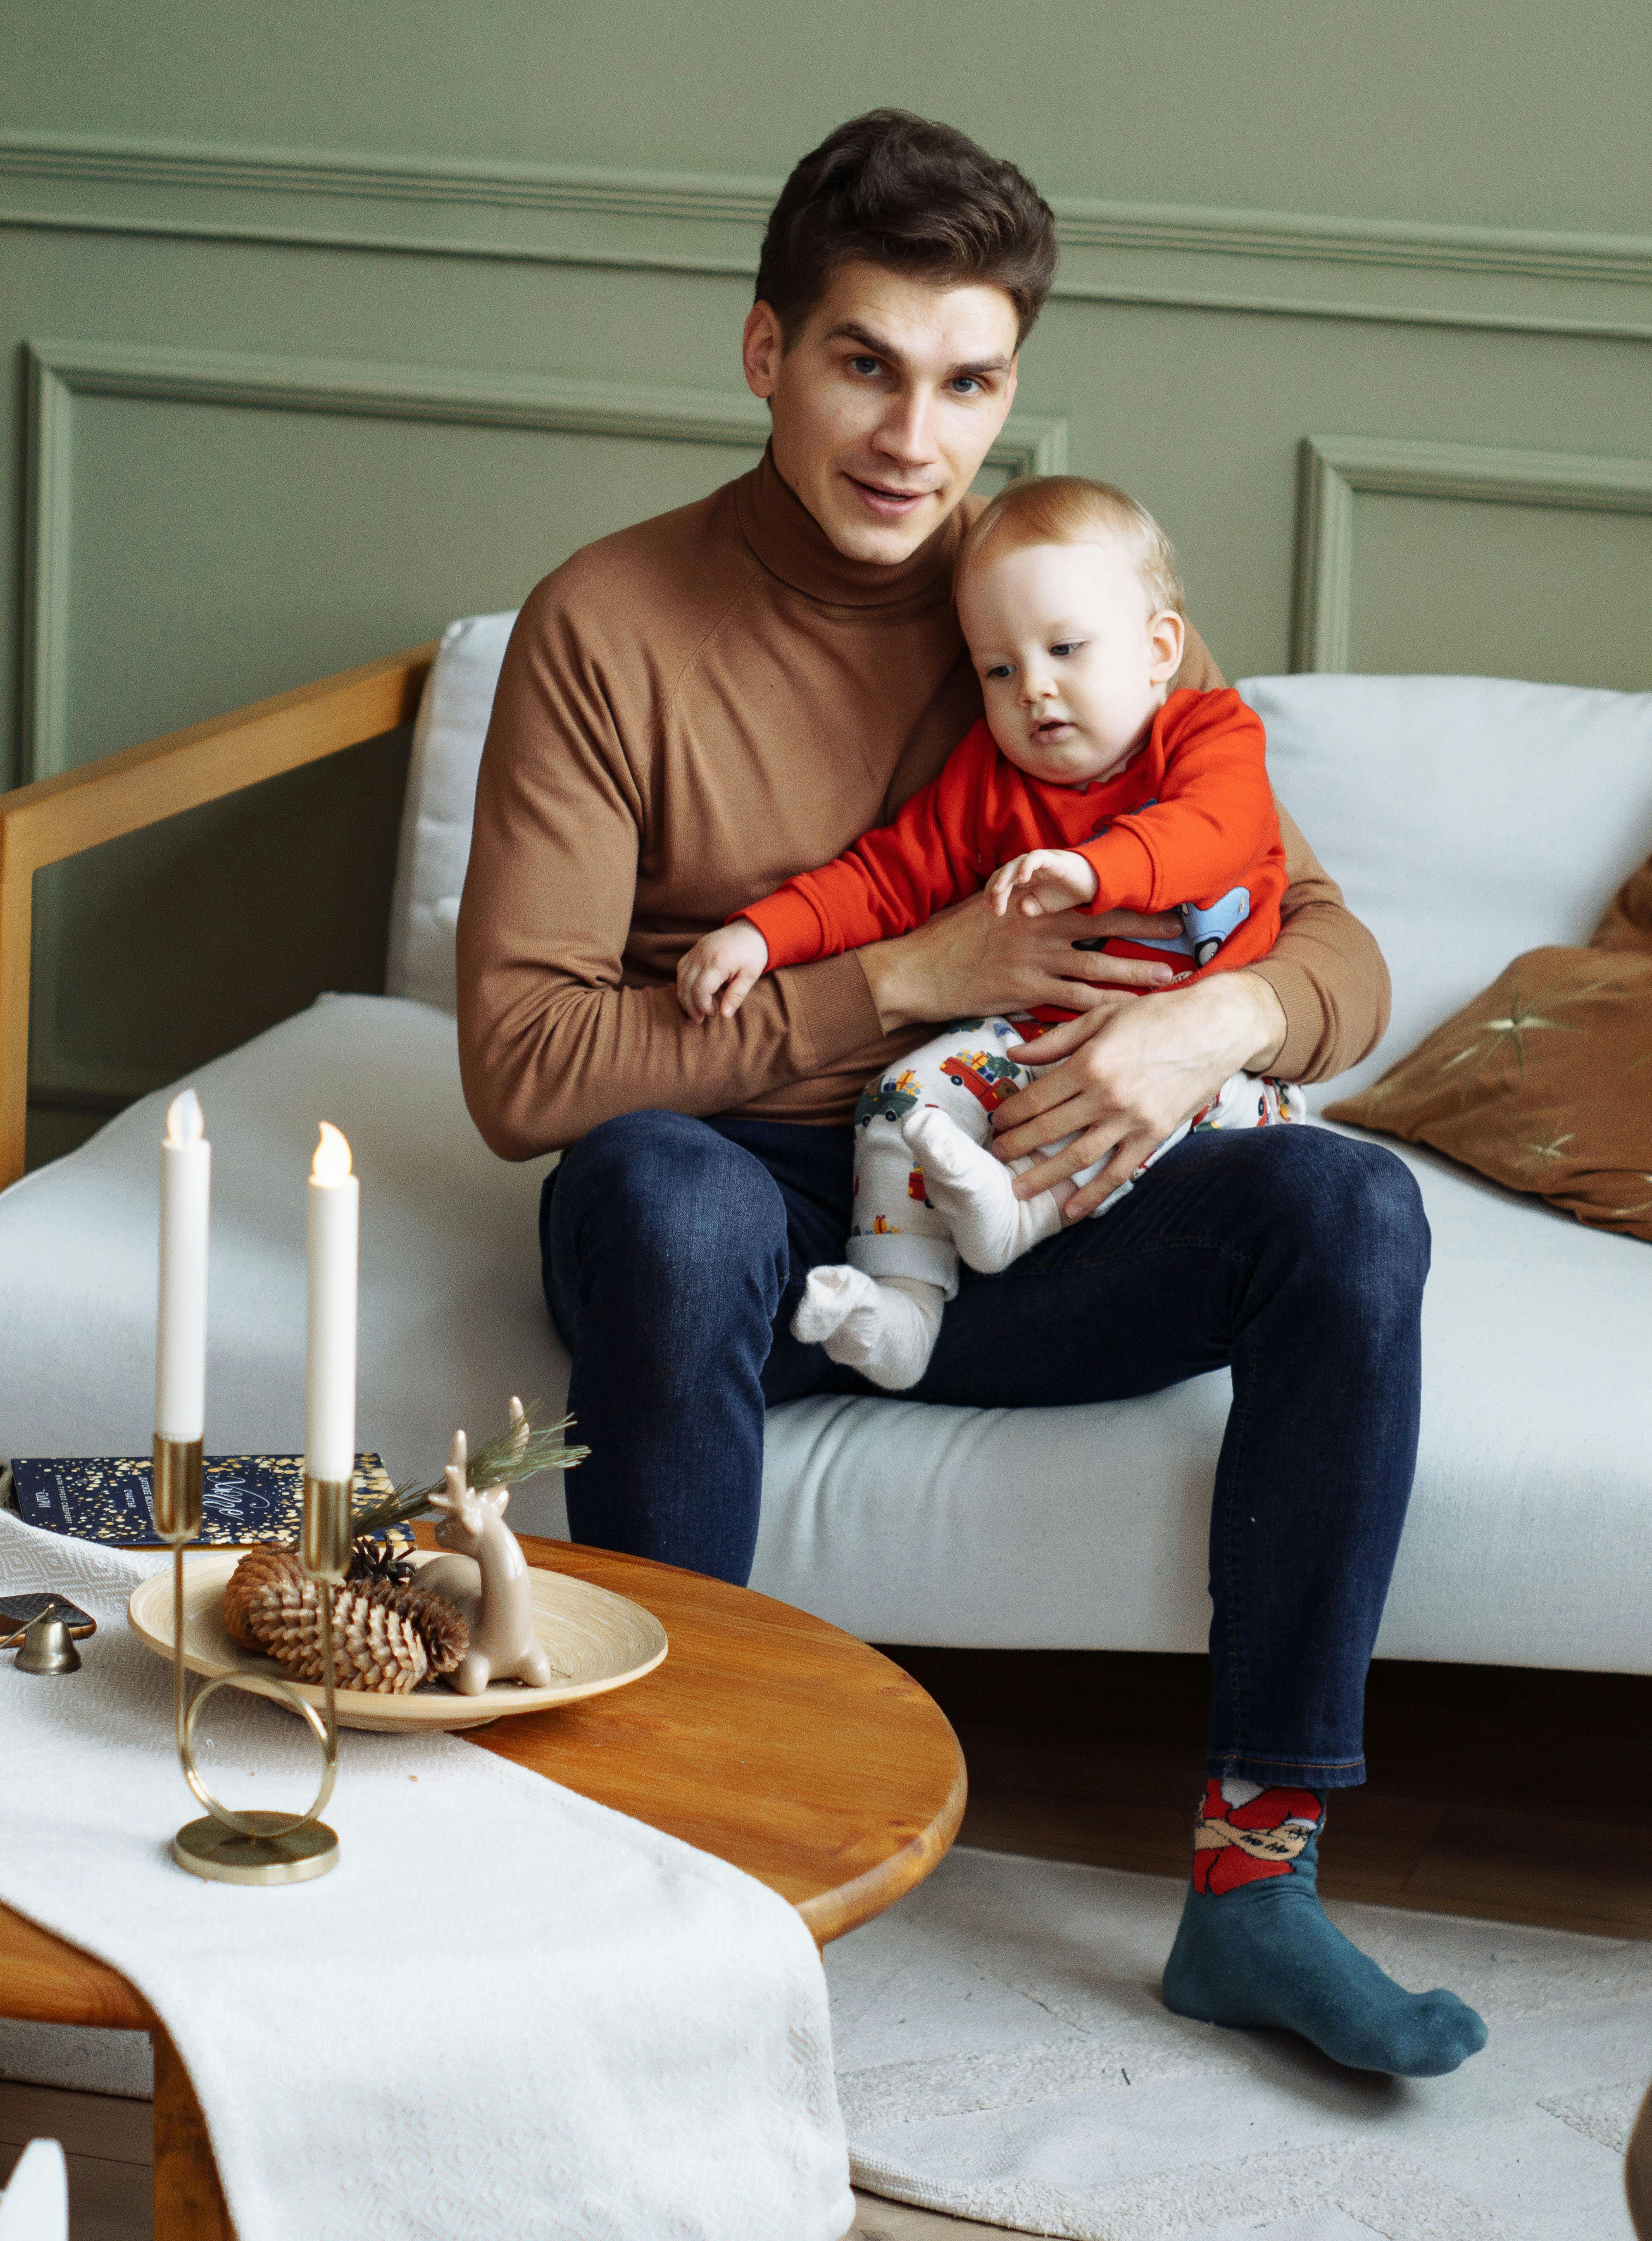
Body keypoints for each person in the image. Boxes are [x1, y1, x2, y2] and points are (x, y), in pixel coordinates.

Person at [457, 108, 1486, 2079]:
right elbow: (524, 1066)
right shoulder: (607, 624)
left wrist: (1211, 1027)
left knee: (1350, 1208)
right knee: (658, 1192)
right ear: (766, 351)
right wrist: (905, 974)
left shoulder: (1056, 608)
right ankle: (685, 1868)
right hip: (740, 1232)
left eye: (965, 380)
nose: (908, 438)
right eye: (861, 362)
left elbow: (1332, 957)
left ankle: (1254, 1893)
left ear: (1010, 387)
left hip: (1021, 1220)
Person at [674, 472, 1302, 1392]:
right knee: (900, 1097)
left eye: (1065, 650)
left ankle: (1020, 1214)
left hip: (1201, 1067)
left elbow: (1214, 832)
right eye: (998, 670)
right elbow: (886, 877)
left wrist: (1095, 870)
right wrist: (761, 937)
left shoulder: (1210, 734)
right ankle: (901, 1309)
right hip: (1031, 1046)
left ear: (1159, 648)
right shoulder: (989, 777)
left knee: (1271, 1145)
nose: (1033, 691)